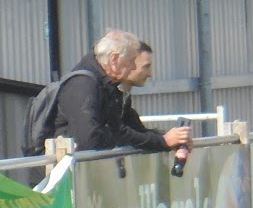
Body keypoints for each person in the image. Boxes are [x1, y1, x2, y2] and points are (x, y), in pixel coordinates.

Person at [54, 29, 193, 154]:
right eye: (131, 61)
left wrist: (165, 139)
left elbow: (125, 130)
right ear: (114, 59)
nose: (133, 67)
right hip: (61, 174)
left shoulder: (108, 85)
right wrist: (162, 141)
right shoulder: (83, 84)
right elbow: (90, 139)